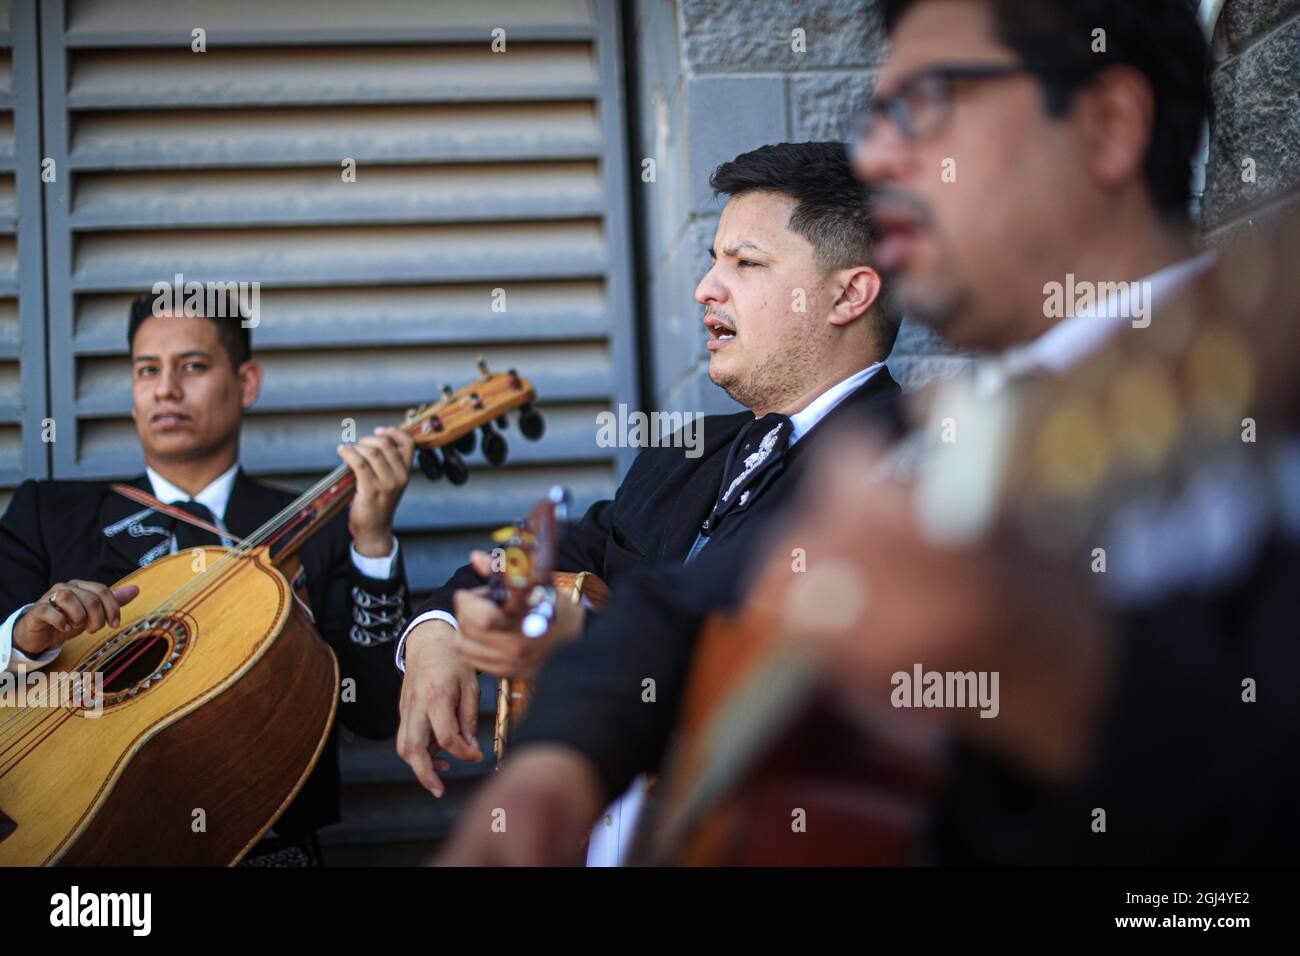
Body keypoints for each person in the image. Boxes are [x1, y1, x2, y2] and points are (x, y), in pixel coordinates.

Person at [435, 0, 1244, 865]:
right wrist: (554, 764)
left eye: (925, 108)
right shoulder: (960, 429)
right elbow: (676, 610)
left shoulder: (1240, 405)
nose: (881, 159)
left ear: (1105, 126)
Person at [394, 142, 904, 862]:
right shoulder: (681, 450)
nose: (705, 288)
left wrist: (590, 632)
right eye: (713, 258)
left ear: (849, 295)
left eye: (745, 263)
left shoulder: (900, 464)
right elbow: (556, 544)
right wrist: (441, 627)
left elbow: (787, 672)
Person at [0, 290, 414, 865]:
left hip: (265, 851)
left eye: (192, 366)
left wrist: (372, 541)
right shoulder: (49, 514)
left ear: (246, 383)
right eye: (148, 370)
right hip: (83, 850)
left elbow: (375, 710)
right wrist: (23, 641)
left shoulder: (321, 528)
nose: (166, 388)